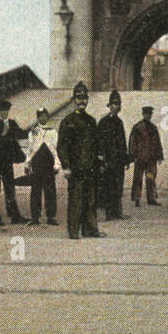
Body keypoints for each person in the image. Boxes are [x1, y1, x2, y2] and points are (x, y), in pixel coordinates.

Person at [57, 81, 106, 240]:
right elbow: (62, 146)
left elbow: (97, 144)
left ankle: (90, 229)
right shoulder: (67, 122)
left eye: (84, 98)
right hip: (76, 169)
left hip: (90, 168)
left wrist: (100, 162)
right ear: (74, 100)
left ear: (87, 100)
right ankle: (74, 231)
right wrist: (65, 166)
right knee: (76, 201)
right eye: (78, 98)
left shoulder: (92, 121)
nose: (81, 101)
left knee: (91, 200)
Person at [0, 99, 26, 226]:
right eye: (2, 111)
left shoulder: (12, 123)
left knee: (10, 188)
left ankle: (14, 215)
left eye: (6, 110)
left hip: (8, 161)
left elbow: (21, 134)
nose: (4, 113)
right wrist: (3, 134)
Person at [97, 90, 129, 220]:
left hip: (118, 161)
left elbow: (122, 142)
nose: (116, 107)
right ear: (109, 106)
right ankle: (109, 213)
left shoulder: (119, 122)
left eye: (118, 104)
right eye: (114, 104)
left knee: (118, 186)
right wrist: (101, 159)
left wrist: (125, 159)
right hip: (108, 160)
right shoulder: (103, 122)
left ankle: (117, 212)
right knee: (108, 186)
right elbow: (99, 141)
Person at [25, 107, 59, 226]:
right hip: (37, 164)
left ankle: (51, 216)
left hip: (49, 164)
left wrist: (57, 164)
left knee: (50, 191)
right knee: (36, 191)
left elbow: (55, 149)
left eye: (45, 115)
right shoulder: (32, 132)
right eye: (41, 115)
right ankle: (35, 217)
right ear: (37, 117)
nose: (43, 117)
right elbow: (29, 149)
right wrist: (27, 163)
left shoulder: (52, 131)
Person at [128, 105, 164, 208]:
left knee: (150, 178)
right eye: (146, 114)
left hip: (151, 160)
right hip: (140, 159)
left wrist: (159, 156)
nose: (148, 116)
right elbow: (132, 142)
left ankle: (151, 198)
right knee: (138, 179)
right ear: (143, 114)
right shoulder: (137, 127)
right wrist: (132, 155)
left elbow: (157, 143)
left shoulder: (153, 128)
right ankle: (137, 199)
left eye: (150, 114)